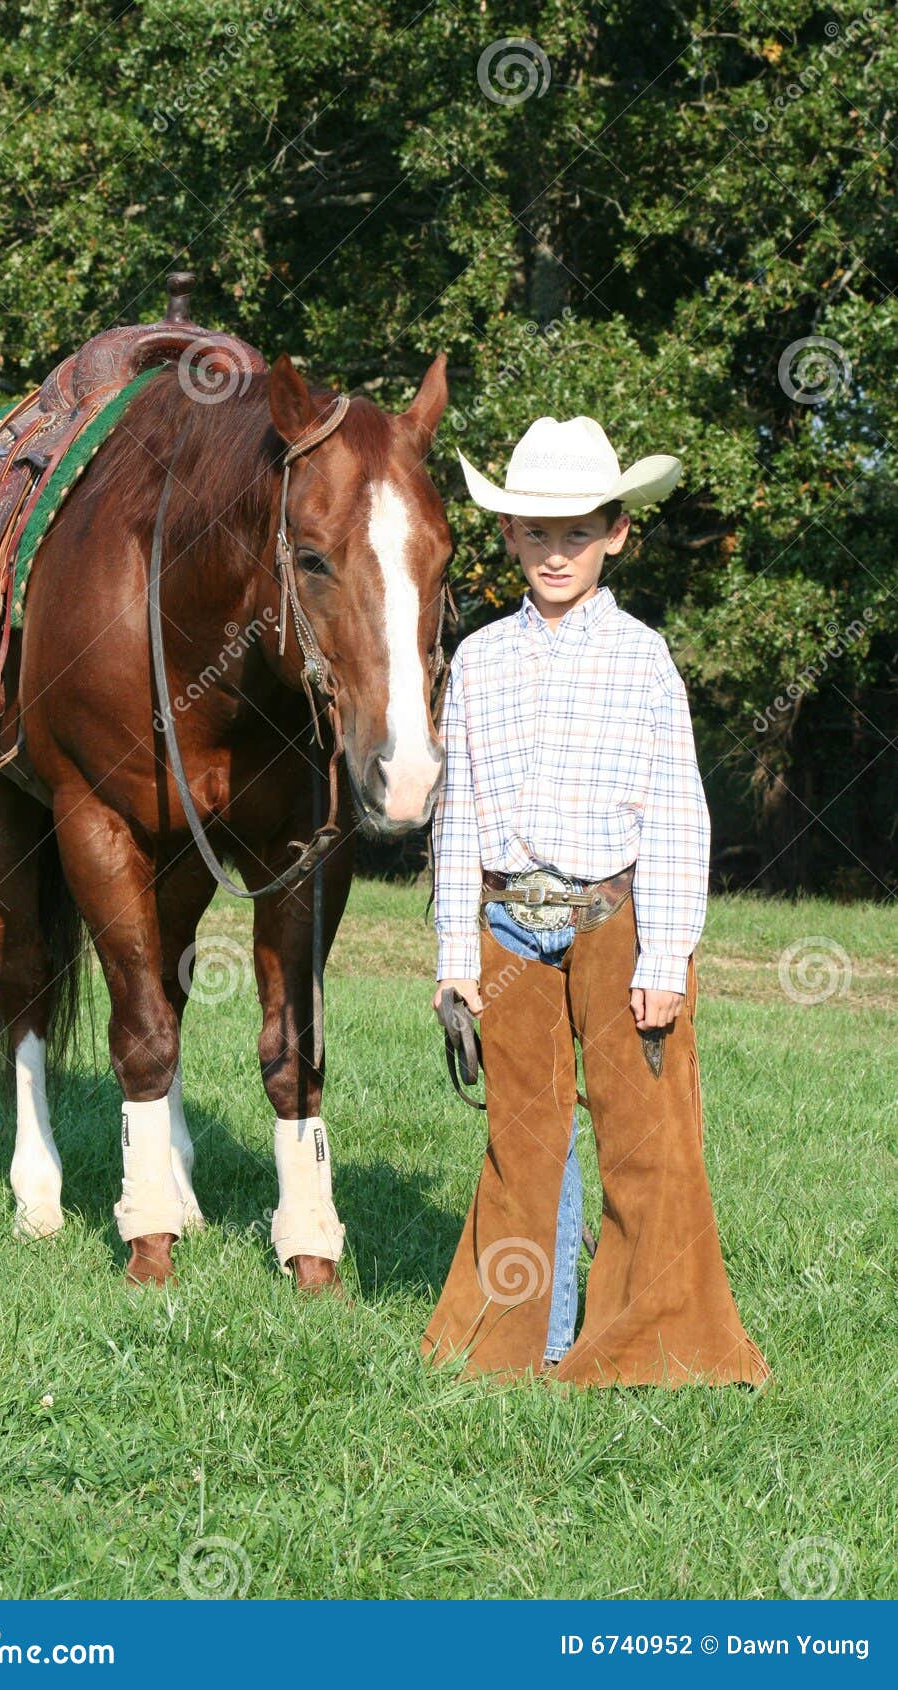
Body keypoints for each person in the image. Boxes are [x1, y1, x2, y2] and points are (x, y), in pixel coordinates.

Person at [422, 415, 769, 1387]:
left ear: (616, 532)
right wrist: (456, 955)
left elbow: (674, 813)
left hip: (617, 919)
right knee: (521, 1138)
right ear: (507, 537)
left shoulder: (644, 659)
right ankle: (511, 1341)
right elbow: (457, 817)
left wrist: (664, 961)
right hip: (506, 925)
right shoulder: (481, 661)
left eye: (576, 531)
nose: (555, 552)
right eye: (535, 532)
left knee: (644, 1131)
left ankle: (649, 1342)